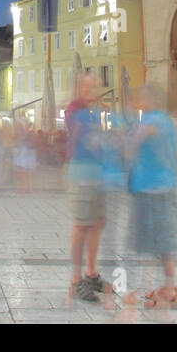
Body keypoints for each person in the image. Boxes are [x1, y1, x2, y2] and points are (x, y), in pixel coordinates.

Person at [124, 84, 177, 309]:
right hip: (166, 186)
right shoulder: (167, 121)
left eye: (141, 98)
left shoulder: (150, 122)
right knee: (163, 242)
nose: (139, 101)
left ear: (150, 100)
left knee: (149, 242)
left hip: (149, 188)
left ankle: (155, 290)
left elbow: (131, 147)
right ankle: (168, 287)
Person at [66, 72, 106, 303]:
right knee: (82, 225)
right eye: (89, 86)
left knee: (97, 221)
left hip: (95, 170)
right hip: (81, 170)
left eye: (96, 86)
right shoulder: (75, 109)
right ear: (81, 87)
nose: (93, 91)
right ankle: (75, 278)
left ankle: (91, 273)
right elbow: (76, 136)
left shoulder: (91, 112)